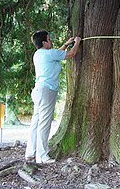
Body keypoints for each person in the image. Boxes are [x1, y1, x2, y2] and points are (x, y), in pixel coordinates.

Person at [25, 30, 81, 164]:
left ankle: (30, 153)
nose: (51, 41)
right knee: (44, 124)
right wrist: (77, 42)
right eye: (49, 39)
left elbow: (57, 54)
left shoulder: (39, 54)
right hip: (46, 91)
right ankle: (42, 157)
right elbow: (71, 54)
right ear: (44, 42)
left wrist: (66, 44)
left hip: (39, 90)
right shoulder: (49, 53)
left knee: (36, 122)